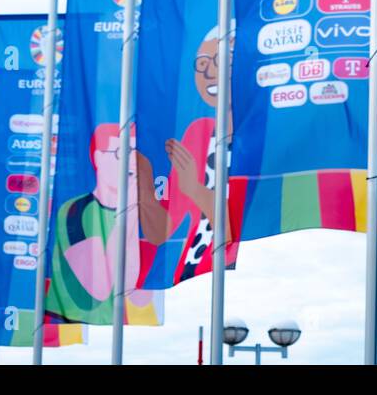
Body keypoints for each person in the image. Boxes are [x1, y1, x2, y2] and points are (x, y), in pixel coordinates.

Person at [136, 25, 245, 286]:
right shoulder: (198, 133)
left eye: (220, 61)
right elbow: (163, 233)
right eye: (203, 63)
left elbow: (239, 225)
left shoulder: (255, 139)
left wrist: (193, 188)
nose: (209, 72)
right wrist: (146, 191)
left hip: (237, 278)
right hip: (194, 277)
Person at [44, 123, 156, 324]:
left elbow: (139, 296)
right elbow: (97, 289)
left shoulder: (139, 210)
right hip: (69, 316)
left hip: (120, 324)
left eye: (137, 153)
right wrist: (128, 214)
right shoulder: (75, 211)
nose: (132, 161)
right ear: (98, 157)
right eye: (122, 152)